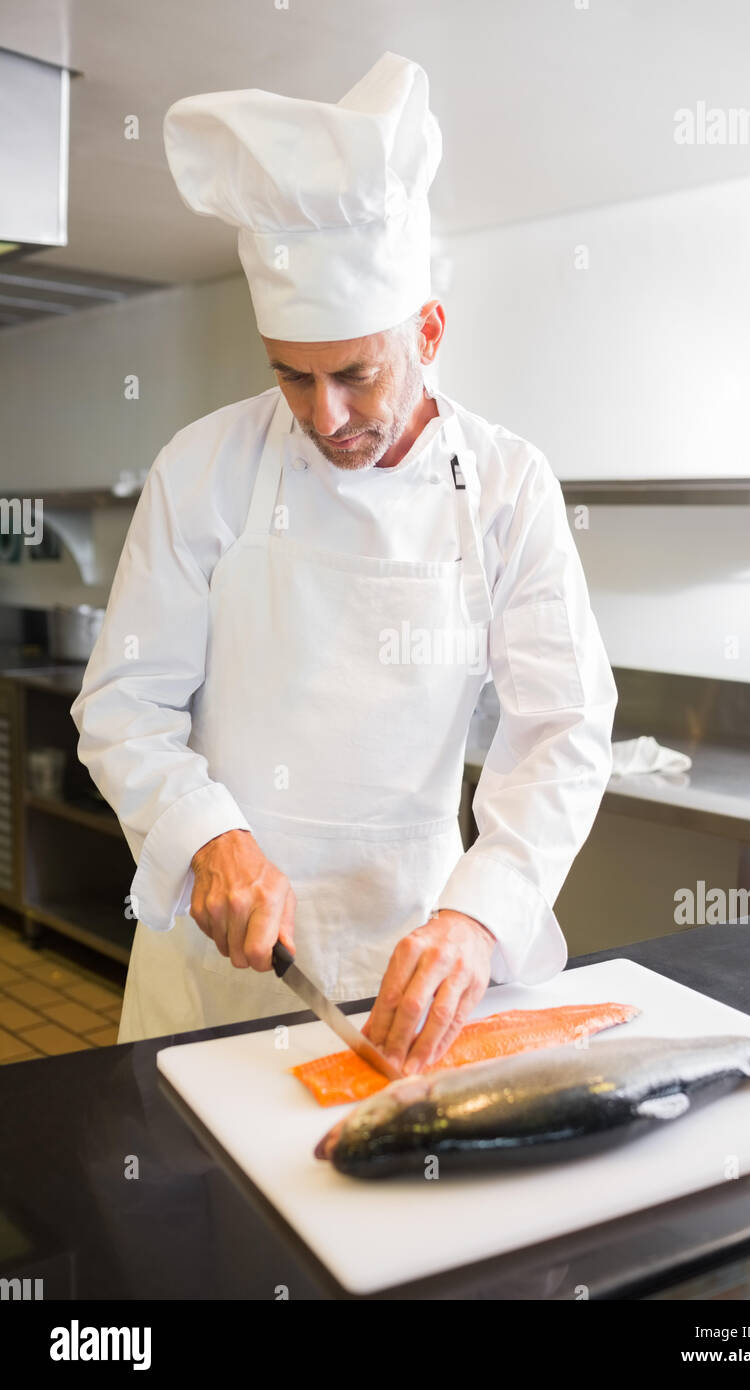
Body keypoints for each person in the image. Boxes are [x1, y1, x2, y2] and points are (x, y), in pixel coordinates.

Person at [71, 52, 617, 1071]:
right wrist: (204, 835)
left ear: (428, 331)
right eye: (292, 377)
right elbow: (122, 705)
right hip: (212, 967)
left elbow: (563, 729)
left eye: (356, 375)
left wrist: (480, 917)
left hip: (409, 966)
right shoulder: (203, 467)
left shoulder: (505, 485)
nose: (325, 418)